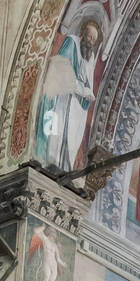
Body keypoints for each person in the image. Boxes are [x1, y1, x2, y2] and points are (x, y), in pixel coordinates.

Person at [35, 17, 102, 170]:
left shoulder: (90, 57)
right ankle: (51, 163)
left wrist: (88, 92)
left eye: (94, 40)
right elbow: (62, 71)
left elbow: (88, 81)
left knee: (70, 138)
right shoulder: (72, 43)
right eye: (89, 36)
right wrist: (81, 90)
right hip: (63, 98)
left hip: (76, 106)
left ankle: (64, 167)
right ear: (83, 33)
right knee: (57, 133)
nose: (90, 41)